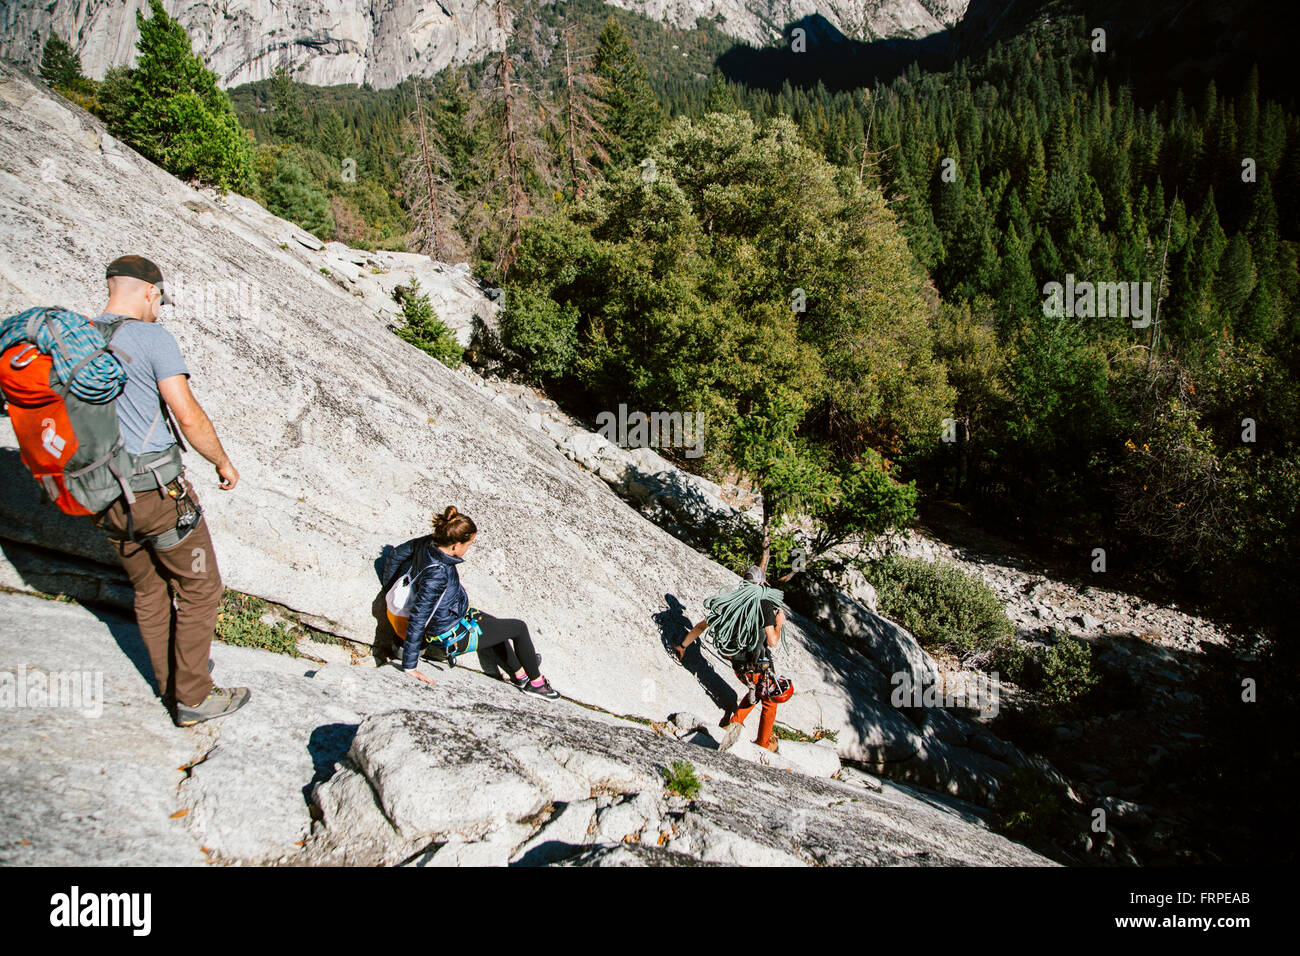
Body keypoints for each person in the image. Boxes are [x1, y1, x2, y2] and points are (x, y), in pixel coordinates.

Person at [87, 255, 249, 726]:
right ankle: (194, 697)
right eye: (160, 300)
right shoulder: (151, 337)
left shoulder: (75, 339)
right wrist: (221, 460)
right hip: (158, 496)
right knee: (201, 587)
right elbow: (187, 414)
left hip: (102, 497)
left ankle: (172, 682)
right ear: (149, 292)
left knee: (149, 589)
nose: (160, 309)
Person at [382, 506, 560, 699]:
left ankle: (520, 674)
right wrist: (410, 665)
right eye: (469, 544)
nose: (469, 549)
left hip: (453, 614)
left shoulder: (429, 542)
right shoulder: (437, 574)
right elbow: (418, 618)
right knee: (518, 628)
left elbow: (396, 554)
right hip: (451, 634)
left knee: (495, 624)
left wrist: (389, 588)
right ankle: (536, 683)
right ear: (455, 546)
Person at [675, 566, 790, 752]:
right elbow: (772, 640)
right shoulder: (765, 604)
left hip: (739, 667)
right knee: (769, 701)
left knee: (755, 692)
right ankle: (763, 744)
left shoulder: (732, 603)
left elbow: (701, 626)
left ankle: (733, 723)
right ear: (761, 584)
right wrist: (779, 624)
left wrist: (682, 646)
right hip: (758, 665)